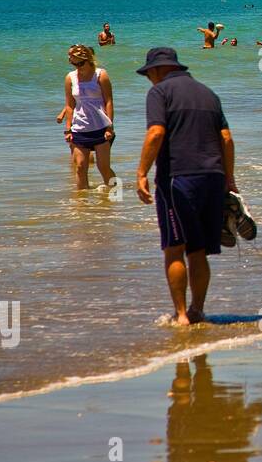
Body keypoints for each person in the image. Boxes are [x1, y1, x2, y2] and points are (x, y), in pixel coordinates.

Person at [135, 48, 236, 326]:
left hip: (177, 179)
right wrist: (230, 180)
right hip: (213, 177)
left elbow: (156, 132)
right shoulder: (208, 94)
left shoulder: (159, 93)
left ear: (157, 70)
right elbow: (226, 139)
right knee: (198, 250)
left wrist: (141, 172)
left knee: (174, 247)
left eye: (148, 74)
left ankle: (180, 315)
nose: (148, 80)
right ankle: (197, 310)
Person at [62, 44, 116, 190]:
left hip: (101, 127)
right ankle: (82, 207)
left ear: (88, 59)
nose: (77, 66)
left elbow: (109, 101)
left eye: (80, 63)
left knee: (103, 168)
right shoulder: (70, 78)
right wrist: (68, 129)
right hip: (79, 127)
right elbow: (69, 105)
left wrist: (110, 126)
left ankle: (117, 196)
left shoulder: (101, 75)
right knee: (80, 167)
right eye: (73, 63)